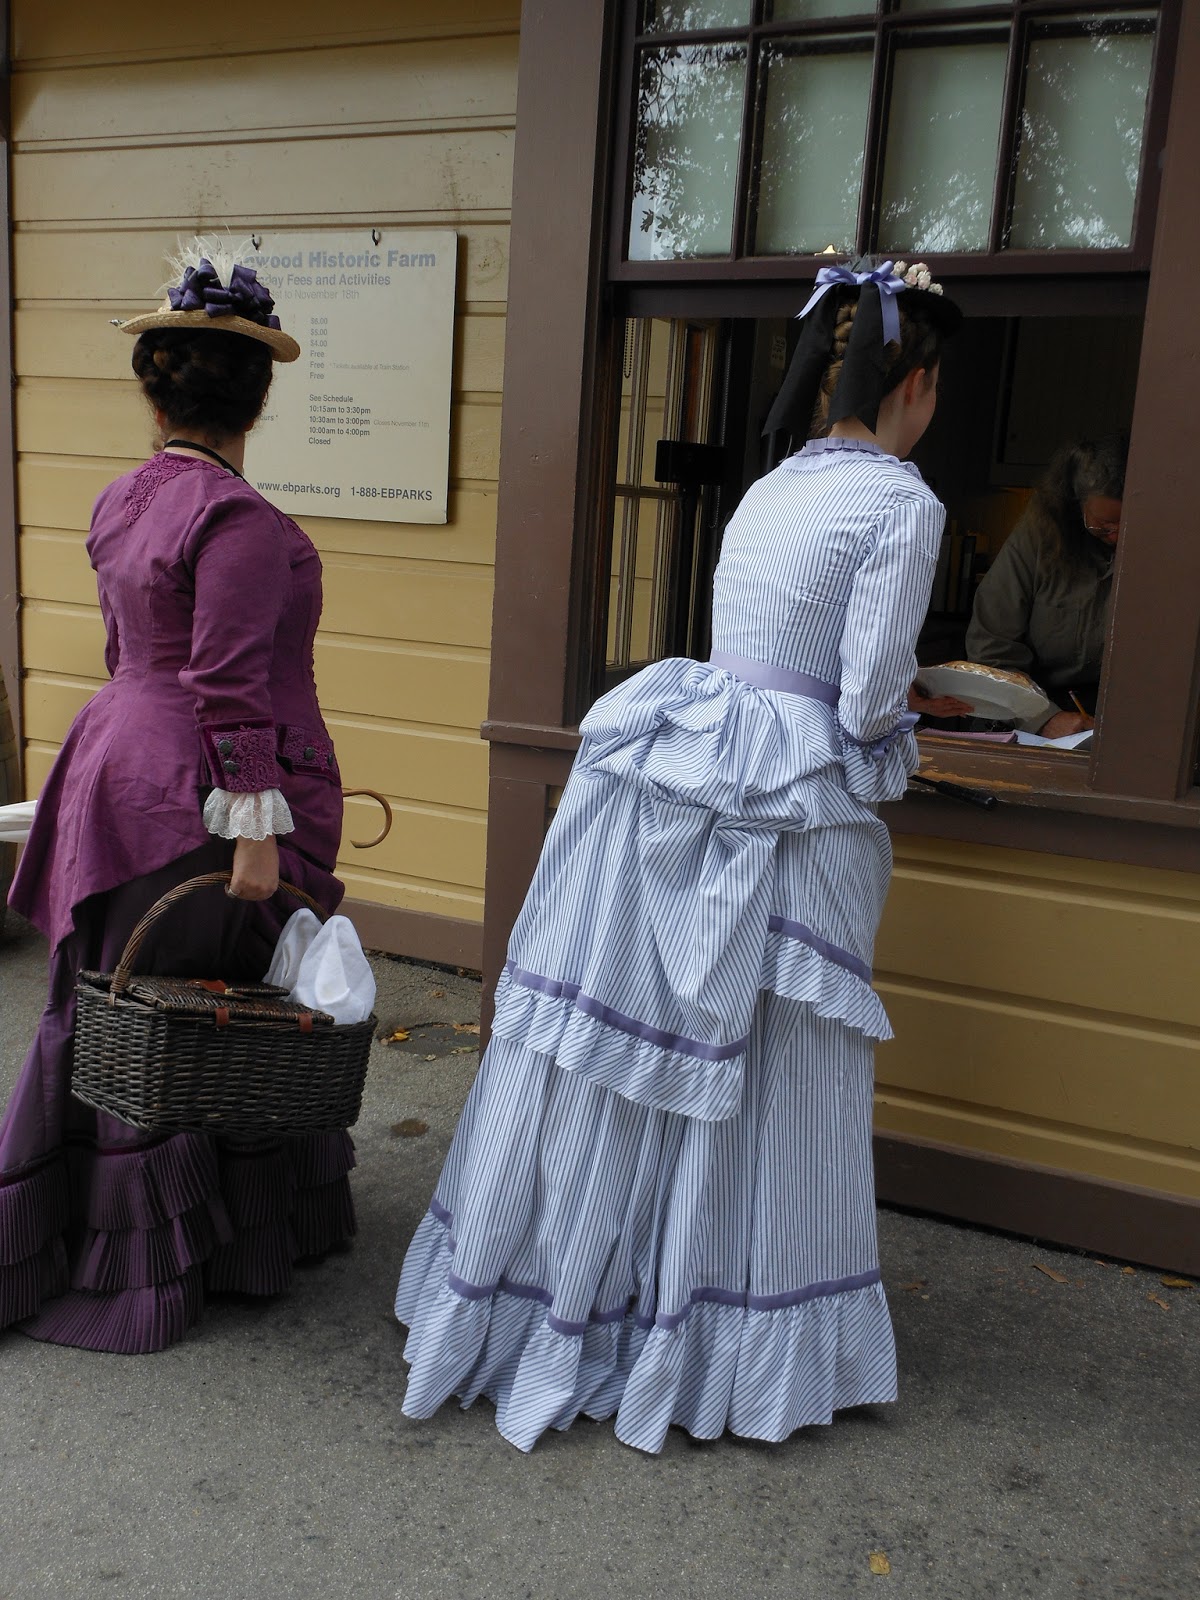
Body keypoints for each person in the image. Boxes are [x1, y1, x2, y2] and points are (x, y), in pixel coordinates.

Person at [395, 260, 961, 1452]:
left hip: (690, 751)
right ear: (915, 384)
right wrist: (912, 719)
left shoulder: (773, 487)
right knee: (762, 1077)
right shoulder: (904, 504)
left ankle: (582, 1299)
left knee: (647, 1065)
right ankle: (715, 1337)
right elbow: (864, 701)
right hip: (788, 793)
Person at [0, 241, 353, 1353]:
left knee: (112, 997)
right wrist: (254, 831)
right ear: (255, 396)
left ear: (154, 392)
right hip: (192, 788)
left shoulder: (122, 497)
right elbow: (228, 685)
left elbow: (127, 647)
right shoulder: (241, 521)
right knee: (193, 1003)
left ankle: (70, 1222)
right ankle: (158, 1253)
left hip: (114, 761)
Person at [965, 437, 1126, 736]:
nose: (1116, 538)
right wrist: (1044, 719)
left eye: (1127, 526)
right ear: (1076, 509)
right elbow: (992, 648)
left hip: (1127, 720)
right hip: (1029, 712)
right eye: (1103, 528)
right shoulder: (1040, 535)